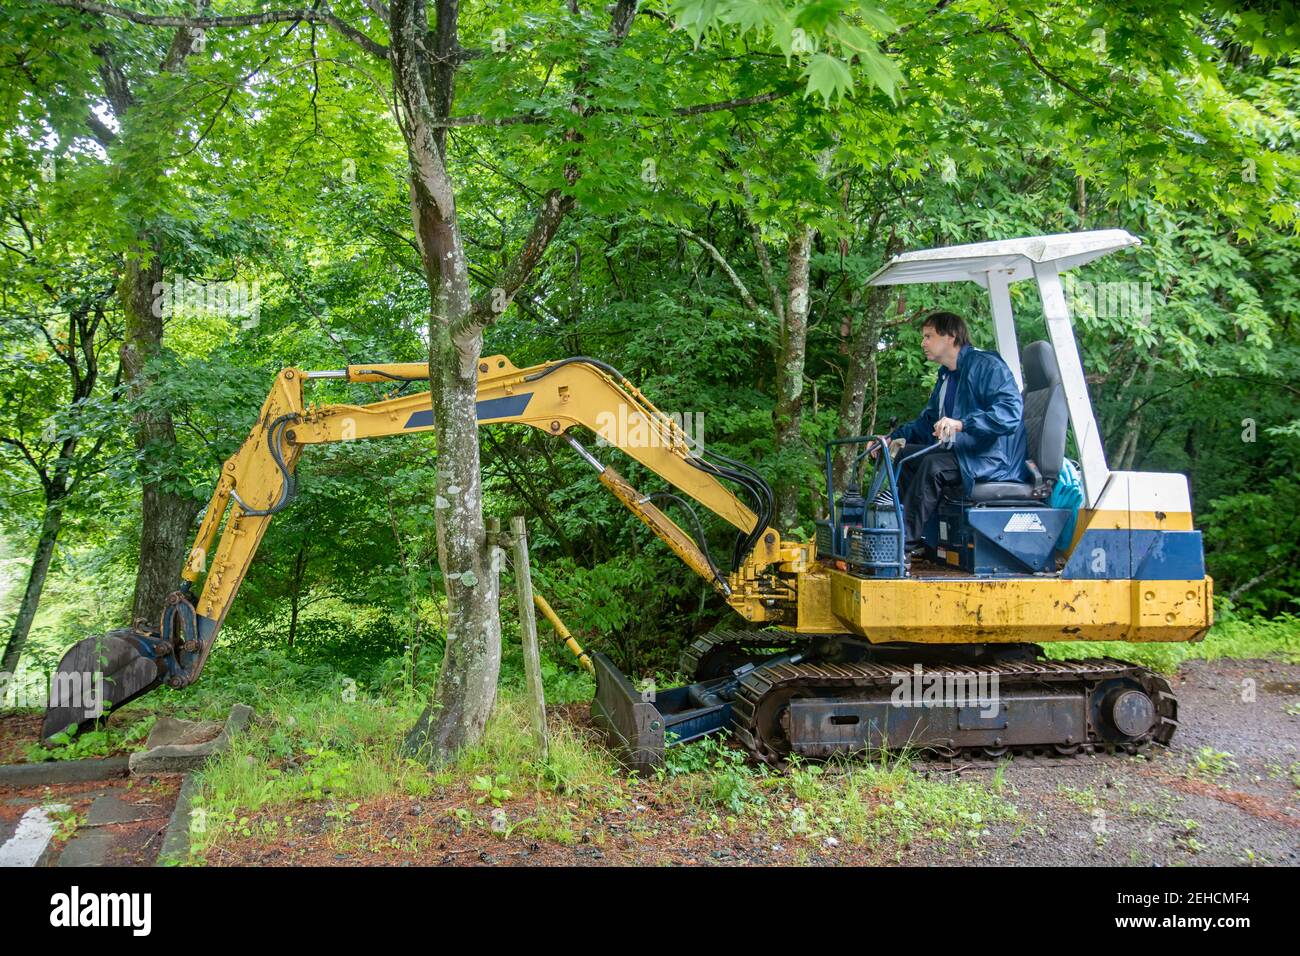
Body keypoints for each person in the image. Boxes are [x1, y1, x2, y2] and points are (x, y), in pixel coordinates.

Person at [875, 311, 1028, 554]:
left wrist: (963, 423)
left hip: (991, 458)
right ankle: (921, 540)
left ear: (951, 337)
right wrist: (891, 438)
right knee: (905, 455)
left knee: (933, 466)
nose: (923, 343)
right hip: (962, 453)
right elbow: (928, 424)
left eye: (928, 336)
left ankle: (902, 547)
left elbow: (1009, 414)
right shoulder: (946, 375)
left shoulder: (987, 366)